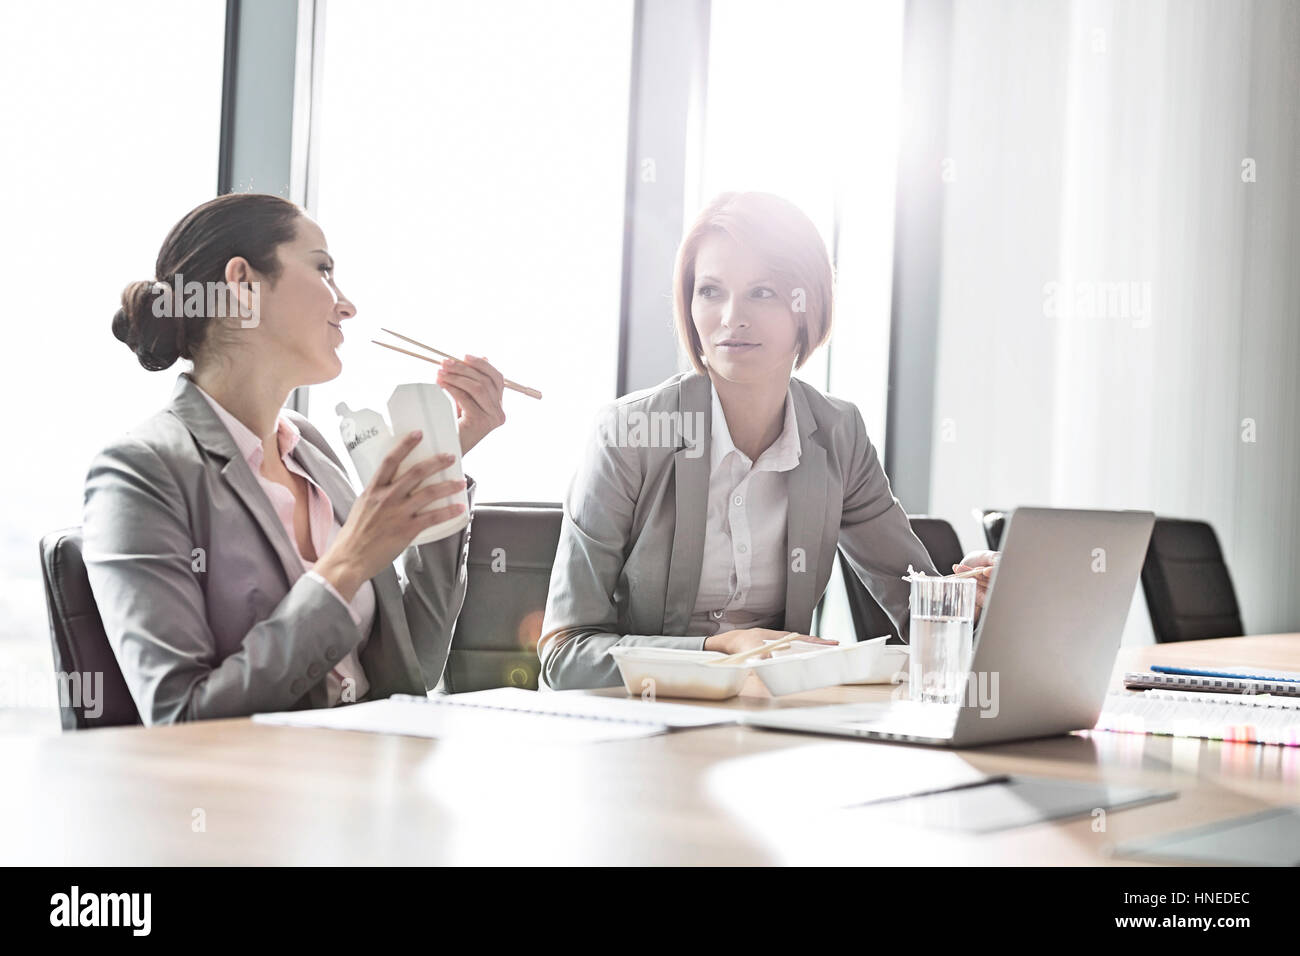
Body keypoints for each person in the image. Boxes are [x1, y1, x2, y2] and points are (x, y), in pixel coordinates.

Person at [539, 191, 995, 690]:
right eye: (710, 290)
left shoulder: (838, 434)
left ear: (808, 306)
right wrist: (721, 651)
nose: (732, 316)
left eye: (762, 292)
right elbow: (565, 656)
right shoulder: (629, 434)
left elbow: (917, 607)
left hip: (771, 728)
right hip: (636, 731)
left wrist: (966, 601)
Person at [83, 192, 507, 723]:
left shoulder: (309, 450)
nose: (346, 303)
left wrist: (440, 464)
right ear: (243, 284)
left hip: (365, 782)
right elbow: (182, 718)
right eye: (323, 269)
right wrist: (346, 565)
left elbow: (413, 667)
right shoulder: (140, 470)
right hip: (259, 799)